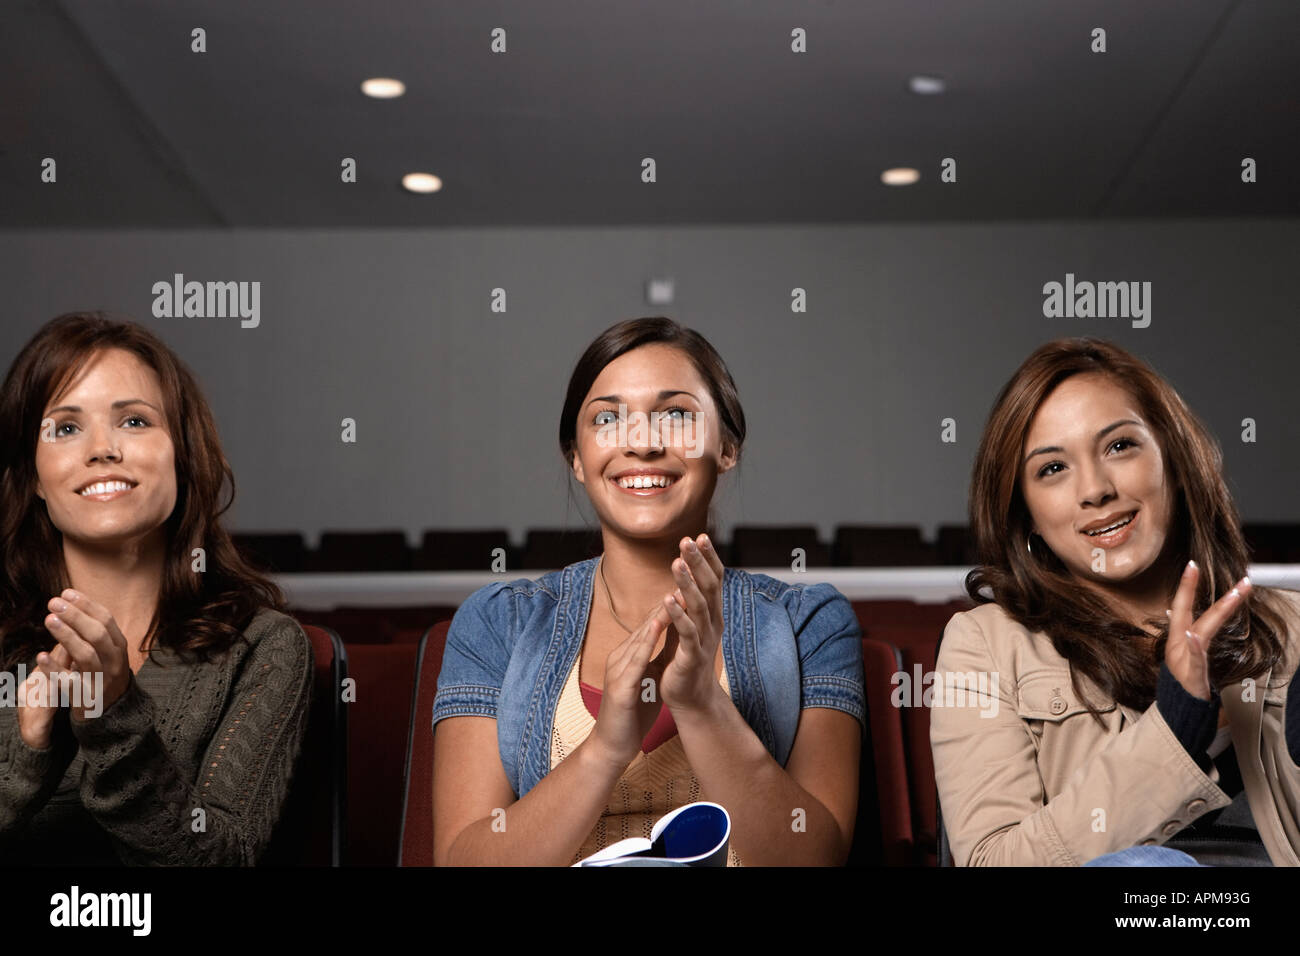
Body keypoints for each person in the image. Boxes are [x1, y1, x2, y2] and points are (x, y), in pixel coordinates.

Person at [432, 317, 865, 865]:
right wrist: (606, 748)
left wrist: (701, 704)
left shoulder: (809, 623)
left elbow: (814, 858)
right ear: (577, 458)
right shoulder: (497, 623)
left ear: (727, 446)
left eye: (677, 415)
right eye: (608, 419)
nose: (641, 443)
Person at [932, 337, 1300, 866]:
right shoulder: (984, 647)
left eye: (1120, 446)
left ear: (1172, 456)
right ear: (1027, 514)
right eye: (1052, 469)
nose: (1096, 489)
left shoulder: (1289, 630)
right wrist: (1177, 727)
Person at [0, 312, 313, 865]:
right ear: (34, 478)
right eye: (65, 428)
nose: (102, 450)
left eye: (135, 422)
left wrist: (114, 715)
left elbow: (222, 857)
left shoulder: (262, 647)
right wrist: (27, 759)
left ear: (184, 458)